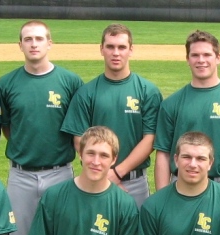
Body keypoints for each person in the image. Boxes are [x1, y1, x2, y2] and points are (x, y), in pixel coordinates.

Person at [0, 20, 84, 235]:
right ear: (20, 44)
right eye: (27, 39)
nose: (33, 44)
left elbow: (77, 131)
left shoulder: (70, 82)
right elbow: (9, 127)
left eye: (39, 38)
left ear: (50, 43)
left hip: (60, 172)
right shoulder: (8, 83)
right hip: (21, 174)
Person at [62, 23, 162, 207]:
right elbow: (80, 140)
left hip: (135, 183)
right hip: (96, 181)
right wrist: (104, 173)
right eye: (110, 46)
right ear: (101, 49)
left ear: (131, 50)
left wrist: (117, 173)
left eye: (122, 47)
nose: (116, 53)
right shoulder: (87, 93)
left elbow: (150, 139)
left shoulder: (148, 91)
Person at [153, 31, 220, 195]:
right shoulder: (171, 104)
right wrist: (163, 198)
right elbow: (163, 154)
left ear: (218, 58)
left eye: (207, 54)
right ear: (187, 59)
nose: (201, 60)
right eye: (195, 55)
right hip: (181, 186)